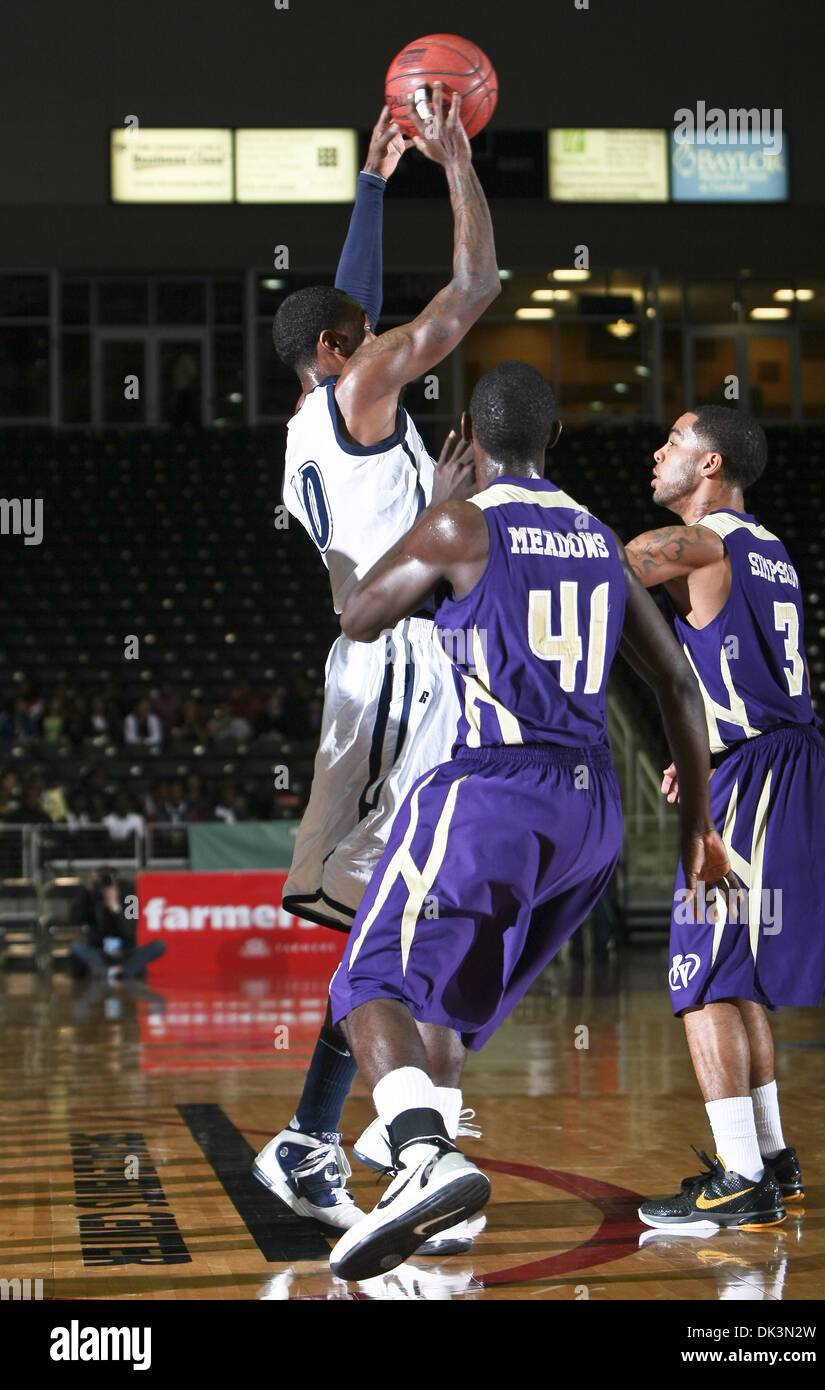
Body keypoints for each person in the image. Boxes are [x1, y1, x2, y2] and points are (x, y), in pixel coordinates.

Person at [324, 361, 730, 1282]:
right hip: (590, 816)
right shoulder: (599, 538)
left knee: (369, 981)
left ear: (468, 433)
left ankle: (426, 1157)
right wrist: (698, 828)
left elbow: (358, 616)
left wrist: (428, 506)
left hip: (492, 790)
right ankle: (445, 1209)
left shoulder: (461, 521)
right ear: (553, 441)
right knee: (450, 999)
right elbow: (674, 685)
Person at [253, 91, 501, 1245]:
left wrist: (369, 180)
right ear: (337, 354)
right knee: (391, 930)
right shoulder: (357, 389)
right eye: (361, 334)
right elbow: (467, 298)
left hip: (375, 674)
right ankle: (402, 1137)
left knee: (382, 929)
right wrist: (452, 166)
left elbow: (343, 310)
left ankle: (321, 1136)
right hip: (397, 671)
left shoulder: (320, 410)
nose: (374, 339)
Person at [624, 405, 825, 1230]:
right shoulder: (771, 549)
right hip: (780, 760)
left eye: (674, 442)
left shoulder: (706, 543)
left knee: (703, 975)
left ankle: (741, 1178)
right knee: (739, 975)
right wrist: (709, 747)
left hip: (765, 772)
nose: (658, 453)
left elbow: (608, 565)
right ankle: (772, 1161)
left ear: (710, 464)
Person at [69, 869, 165, 982]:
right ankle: (115, 972)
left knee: (159, 945)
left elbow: (130, 930)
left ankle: (120, 971)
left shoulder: (131, 899)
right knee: (76, 947)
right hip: (101, 951)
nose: (106, 888)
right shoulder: (91, 898)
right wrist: (91, 897)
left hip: (127, 951)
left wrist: (115, 908)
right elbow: (75, 919)